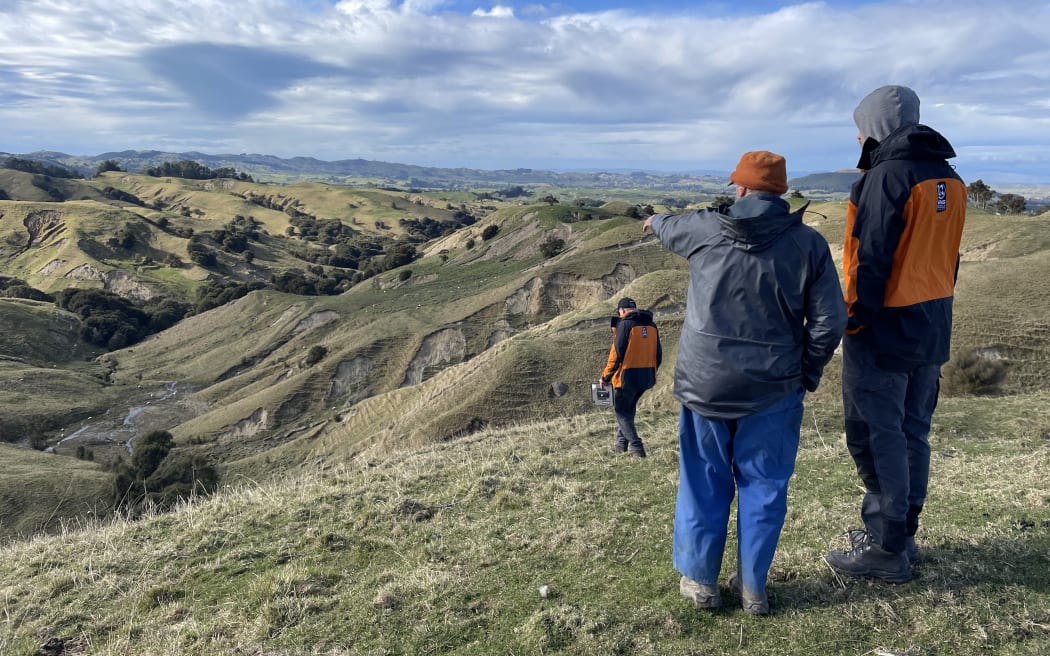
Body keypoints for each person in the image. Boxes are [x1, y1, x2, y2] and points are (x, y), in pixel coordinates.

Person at [644, 150, 846, 614]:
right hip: (774, 389)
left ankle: (701, 583)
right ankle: (753, 587)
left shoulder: (703, 229)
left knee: (703, 482)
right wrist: (807, 372)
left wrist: (653, 220)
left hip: (705, 386)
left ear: (738, 189)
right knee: (765, 486)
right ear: (781, 192)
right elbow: (829, 322)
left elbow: (666, 226)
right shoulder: (808, 245)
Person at [823, 85, 967, 583]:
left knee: (873, 435)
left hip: (883, 329)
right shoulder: (948, 177)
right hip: (931, 324)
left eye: (861, 127)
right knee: (912, 434)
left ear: (875, 127)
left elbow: (869, 258)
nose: (859, 136)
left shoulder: (886, 177)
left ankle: (885, 549)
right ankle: (903, 535)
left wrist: (855, 320)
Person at [600, 297, 662, 458]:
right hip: (647, 376)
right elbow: (659, 355)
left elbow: (616, 354)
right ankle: (621, 445)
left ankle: (637, 448)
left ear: (621, 311)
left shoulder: (624, 325)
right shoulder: (651, 325)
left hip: (627, 377)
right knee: (628, 410)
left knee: (621, 412)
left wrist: (605, 376)